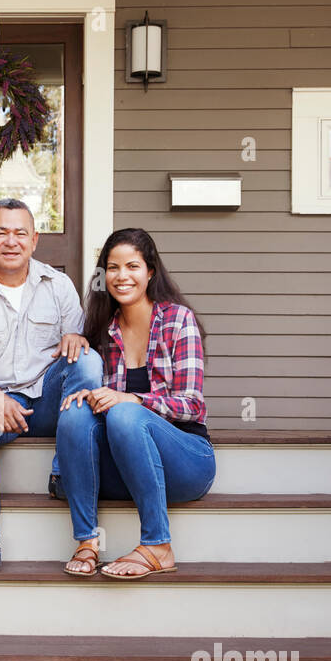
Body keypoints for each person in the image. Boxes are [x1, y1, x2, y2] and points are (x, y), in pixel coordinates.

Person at [0, 198, 102, 571]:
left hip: (51, 400)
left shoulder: (58, 284)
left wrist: (77, 341)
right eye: (1, 232)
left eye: (20, 233)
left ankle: (63, 470)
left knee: (89, 360)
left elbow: (75, 343)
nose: (10, 241)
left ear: (34, 240)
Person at [56, 228, 216, 579]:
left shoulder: (178, 320)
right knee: (75, 412)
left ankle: (158, 544)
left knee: (127, 413)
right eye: (113, 268)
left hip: (185, 460)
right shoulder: (103, 330)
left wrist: (131, 398)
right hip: (127, 467)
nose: (122, 276)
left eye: (132, 266)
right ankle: (87, 540)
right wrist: (90, 394)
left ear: (150, 271)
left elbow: (192, 405)